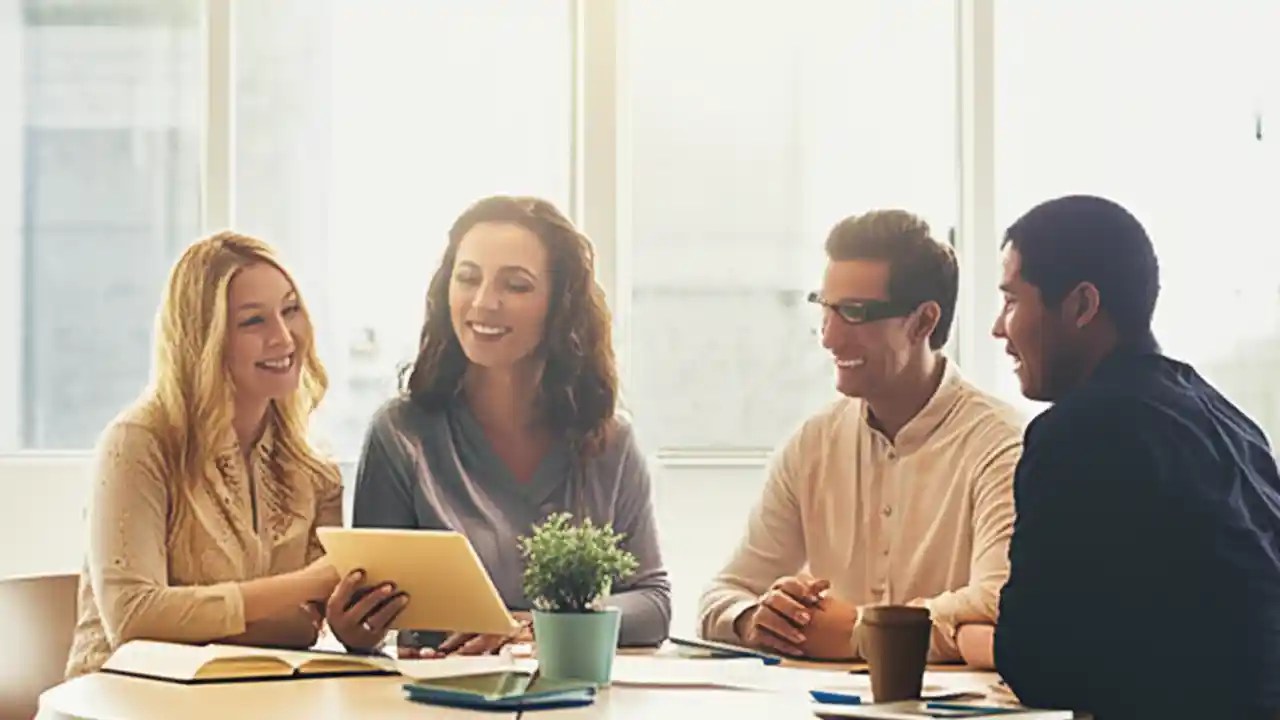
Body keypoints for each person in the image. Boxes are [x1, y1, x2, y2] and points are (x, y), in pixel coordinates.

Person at [991, 195, 1280, 718]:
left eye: (1011, 301)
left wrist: (970, 635)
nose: (998, 329)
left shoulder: (1079, 435)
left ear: (1081, 305)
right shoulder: (1234, 425)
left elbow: (1034, 662)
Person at [698, 210, 1022, 665]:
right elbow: (722, 594)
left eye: (853, 313)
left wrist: (859, 633)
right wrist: (761, 619)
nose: (829, 337)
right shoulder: (814, 442)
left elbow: (1000, 606)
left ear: (924, 322)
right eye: (824, 308)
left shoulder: (1002, 446)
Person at [66, 232, 395, 678]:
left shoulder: (313, 464)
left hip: (253, 699)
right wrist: (307, 583)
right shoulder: (138, 441)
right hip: (122, 703)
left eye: (290, 310)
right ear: (204, 338)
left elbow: (305, 624)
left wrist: (351, 627)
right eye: (253, 322)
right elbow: (133, 618)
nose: (284, 338)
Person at [353, 195, 671, 656]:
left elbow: (652, 603)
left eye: (516, 286)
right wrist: (355, 627)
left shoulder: (608, 442)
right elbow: (374, 613)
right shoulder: (401, 435)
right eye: (467, 278)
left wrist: (533, 628)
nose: (484, 302)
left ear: (560, 305)